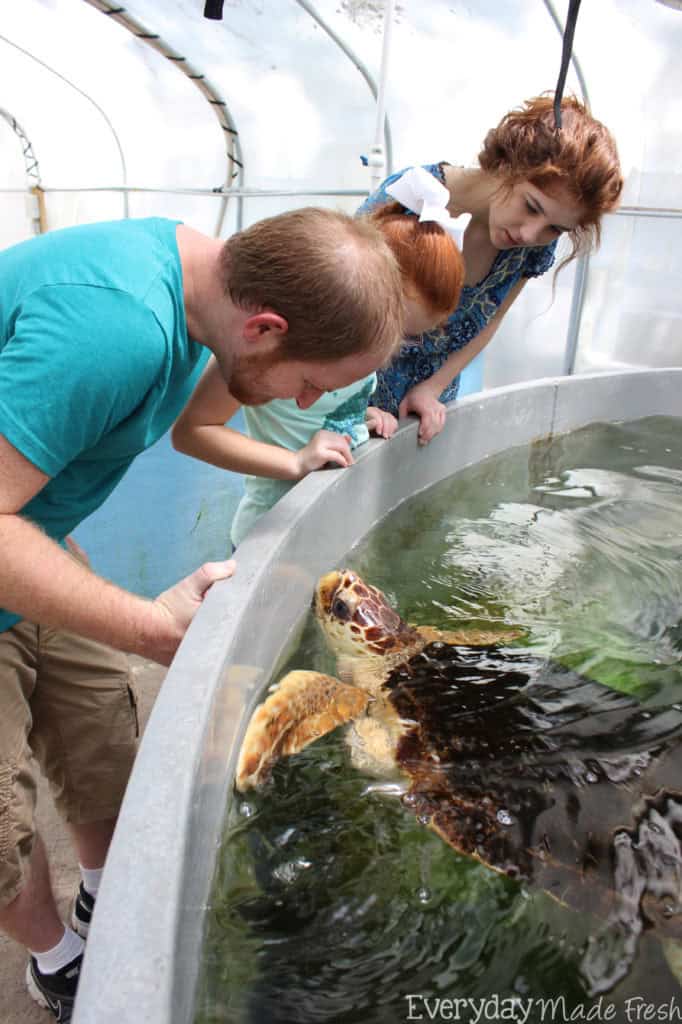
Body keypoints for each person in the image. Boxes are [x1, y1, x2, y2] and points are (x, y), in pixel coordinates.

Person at [0, 207, 404, 1021]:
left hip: (33, 535)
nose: (309, 401)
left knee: (102, 735)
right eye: (313, 383)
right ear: (264, 327)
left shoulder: (198, 280)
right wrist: (148, 627)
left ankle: (102, 903)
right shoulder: (118, 329)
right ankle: (58, 961)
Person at [171, 197, 466, 548]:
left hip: (328, 522)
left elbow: (326, 411)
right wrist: (295, 462)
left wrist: (360, 417)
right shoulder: (266, 356)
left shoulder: (353, 361)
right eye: (393, 327)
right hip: (272, 529)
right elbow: (194, 431)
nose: (388, 347)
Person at [359, 93, 624, 445]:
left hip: (427, 402)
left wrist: (433, 388)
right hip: (352, 389)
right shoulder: (414, 194)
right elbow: (340, 293)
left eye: (555, 229)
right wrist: (346, 399)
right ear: (507, 164)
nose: (530, 234)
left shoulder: (532, 247)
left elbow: (493, 319)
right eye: (531, 206)